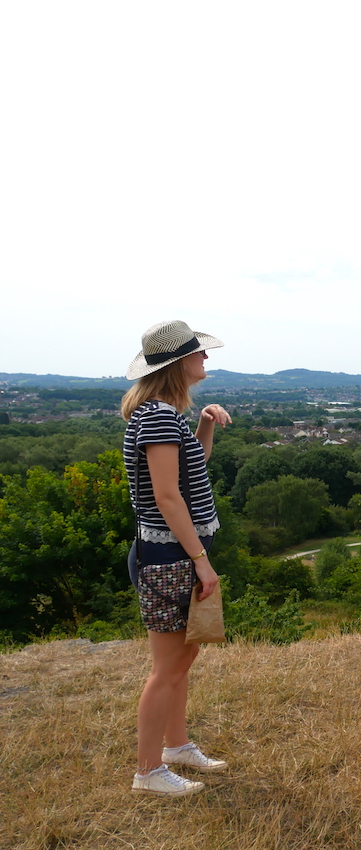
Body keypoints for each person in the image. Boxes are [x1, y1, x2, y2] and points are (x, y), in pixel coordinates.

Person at [121, 320, 232, 798]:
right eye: (198, 354)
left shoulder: (161, 415)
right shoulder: (160, 418)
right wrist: (201, 560)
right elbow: (168, 498)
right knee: (168, 668)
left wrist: (204, 427)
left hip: (166, 550)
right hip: (169, 553)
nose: (205, 360)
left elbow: (189, 472)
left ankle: (176, 746)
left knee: (181, 660)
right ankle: (148, 772)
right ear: (178, 363)